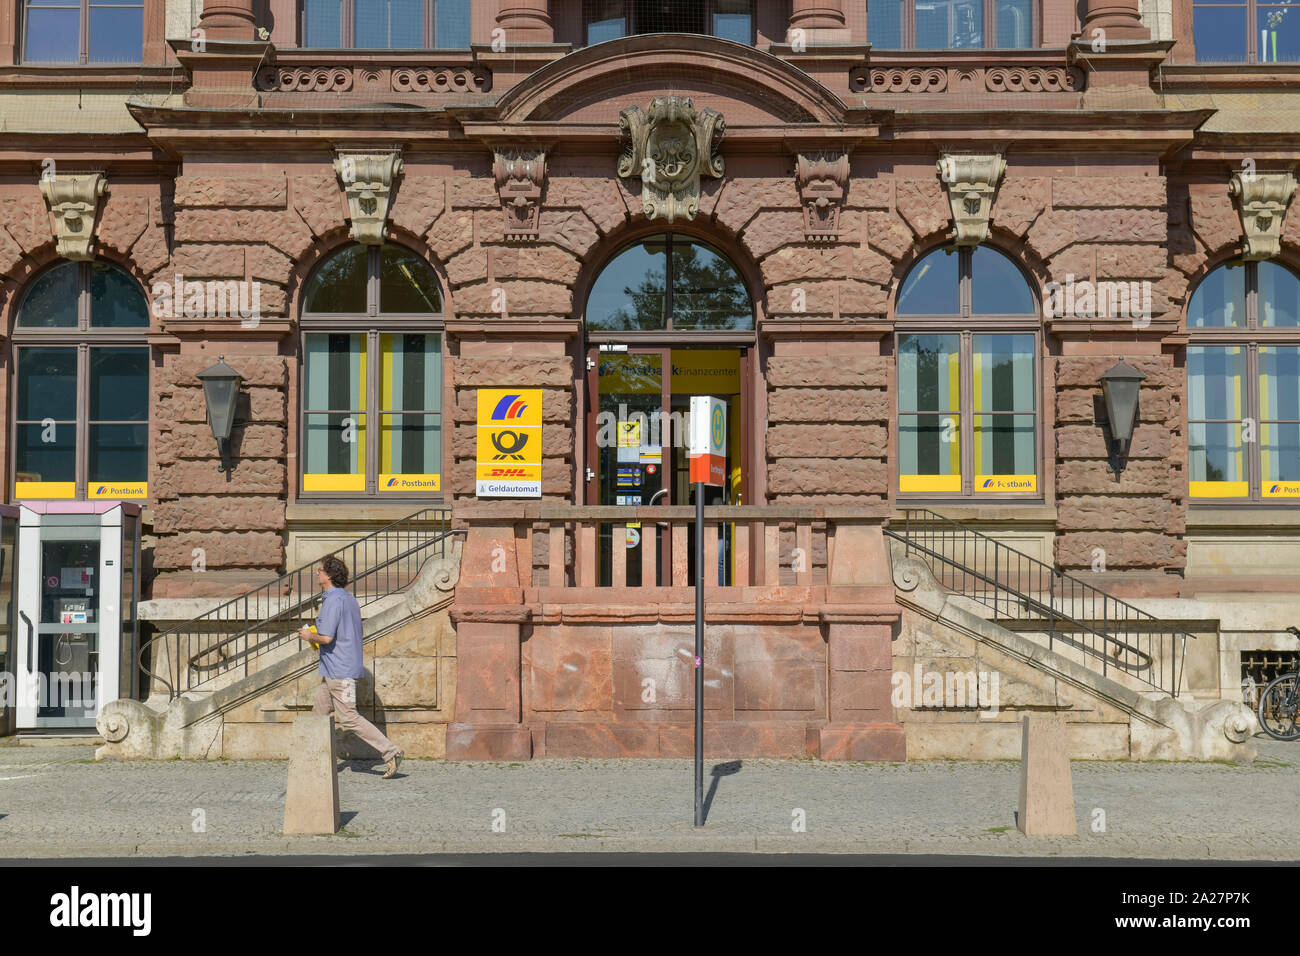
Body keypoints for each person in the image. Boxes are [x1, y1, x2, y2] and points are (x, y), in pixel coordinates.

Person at [299, 555, 403, 779]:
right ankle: (313, 764)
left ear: (328, 575)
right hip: (333, 670)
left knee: (349, 718)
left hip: (340, 670)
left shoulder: (334, 601)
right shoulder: (349, 599)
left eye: (319, 570)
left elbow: (326, 637)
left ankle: (390, 751)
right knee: (318, 715)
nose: (317, 573)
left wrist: (309, 635)